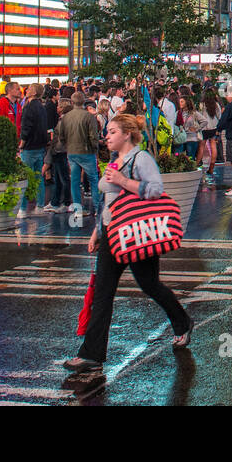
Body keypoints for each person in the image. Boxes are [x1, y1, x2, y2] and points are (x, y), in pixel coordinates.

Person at [64, 114, 192, 374]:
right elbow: (108, 203)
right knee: (103, 292)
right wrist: (97, 233)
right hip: (112, 234)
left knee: (150, 284)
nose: (106, 136)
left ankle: (182, 322)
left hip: (136, 233)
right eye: (107, 132)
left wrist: (123, 181)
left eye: (111, 132)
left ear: (126, 135)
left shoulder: (141, 159)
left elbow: (156, 189)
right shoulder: (114, 161)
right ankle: (91, 355)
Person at [57, 92, 102, 216]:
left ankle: (78, 209)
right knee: (93, 179)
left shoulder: (66, 117)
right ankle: (98, 208)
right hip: (87, 151)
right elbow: (93, 136)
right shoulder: (88, 117)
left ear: (72, 102)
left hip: (71, 151)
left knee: (75, 181)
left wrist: (67, 146)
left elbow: (61, 136)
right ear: (84, 102)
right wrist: (95, 148)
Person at [16, 83, 49, 218]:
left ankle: (23, 208)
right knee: (38, 176)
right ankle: (40, 205)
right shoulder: (42, 107)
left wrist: (22, 143)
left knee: (25, 178)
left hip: (29, 146)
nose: (26, 90)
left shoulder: (28, 107)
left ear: (34, 92)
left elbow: (26, 127)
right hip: (40, 146)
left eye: (29, 88)